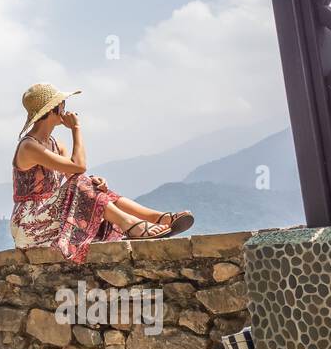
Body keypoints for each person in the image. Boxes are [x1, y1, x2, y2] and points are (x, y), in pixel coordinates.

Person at [11, 83, 194, 263]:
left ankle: (157, 217)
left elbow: (74, 177)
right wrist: (76, 129)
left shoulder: (57, 145)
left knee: (91, 183)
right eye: (62, 104)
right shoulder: (29, 146)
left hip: (50, 214)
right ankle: (130, 224)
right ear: (53, 110)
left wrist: (95, 183)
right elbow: (79, 167)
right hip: (29, 222)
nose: (66, 109)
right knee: (83, 180)